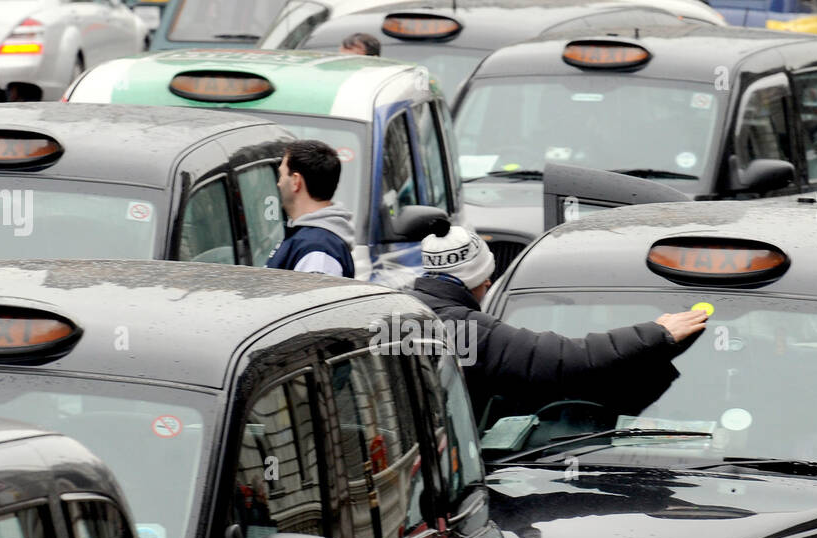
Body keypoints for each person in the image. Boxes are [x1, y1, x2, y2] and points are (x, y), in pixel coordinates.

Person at [408, 223, 708, 420]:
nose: (489, 285)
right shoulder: (466, 330)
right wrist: (656, 334)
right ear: (478, 279)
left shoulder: (395, 313)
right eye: (486, 277)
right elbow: (565, 358)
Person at [266, 140, 356, 277]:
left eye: (281, 175)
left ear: (296, 181)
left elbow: (313, 298)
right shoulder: (310, 240)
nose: (278, 184)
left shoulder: (317, 252)